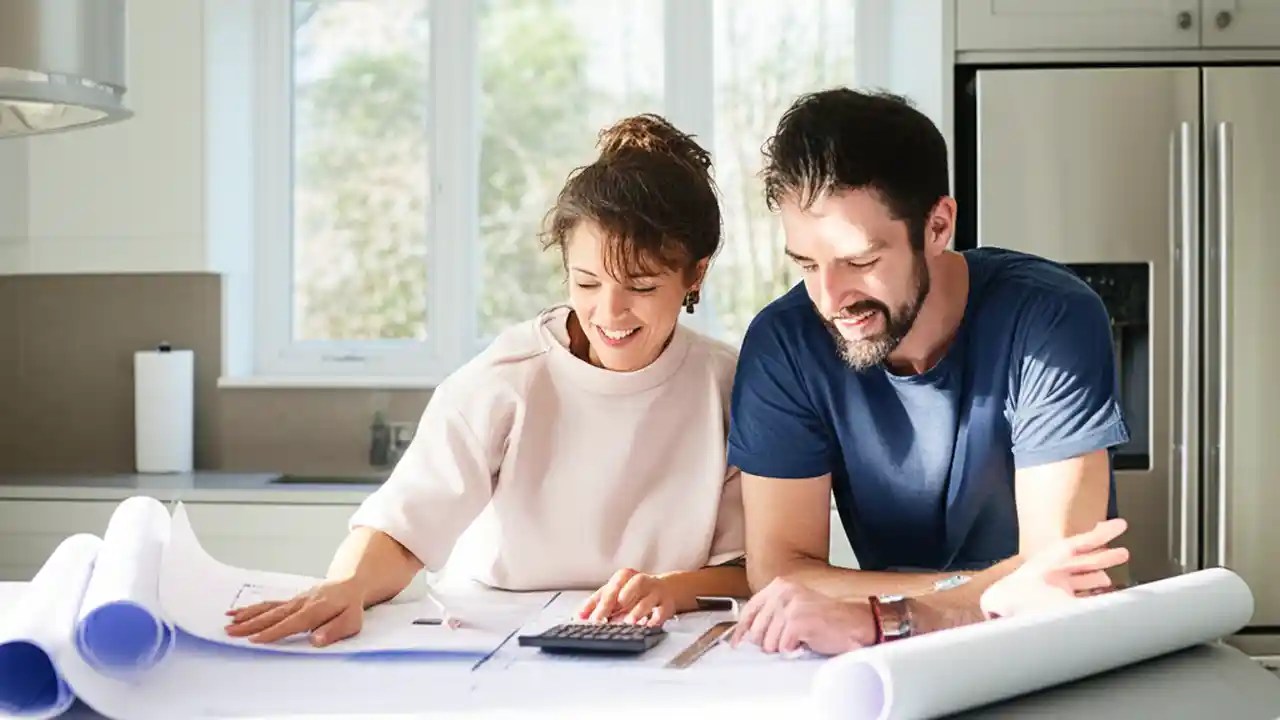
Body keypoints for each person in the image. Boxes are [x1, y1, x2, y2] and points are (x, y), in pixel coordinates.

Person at [224, 114, 748, 647]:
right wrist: (347, 586)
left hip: (661, 641)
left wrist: (674, 588)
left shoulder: (725, 386)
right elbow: (401, 529)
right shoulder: (510, 377)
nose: (609, 312)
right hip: (493, 636)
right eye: (586, 282)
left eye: (640, 285)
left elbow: (750, 569)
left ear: (694, 274)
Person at [726, 88, 1132, 653]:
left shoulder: (1051, 319)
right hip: (900, 661)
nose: (829, 297)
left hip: (1052, 654)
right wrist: (982, 594)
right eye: (807, 264)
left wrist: (881, 616)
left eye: (861, 262)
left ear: (938, 226)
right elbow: (779, 572)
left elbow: (1065, 579)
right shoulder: (784, 345)